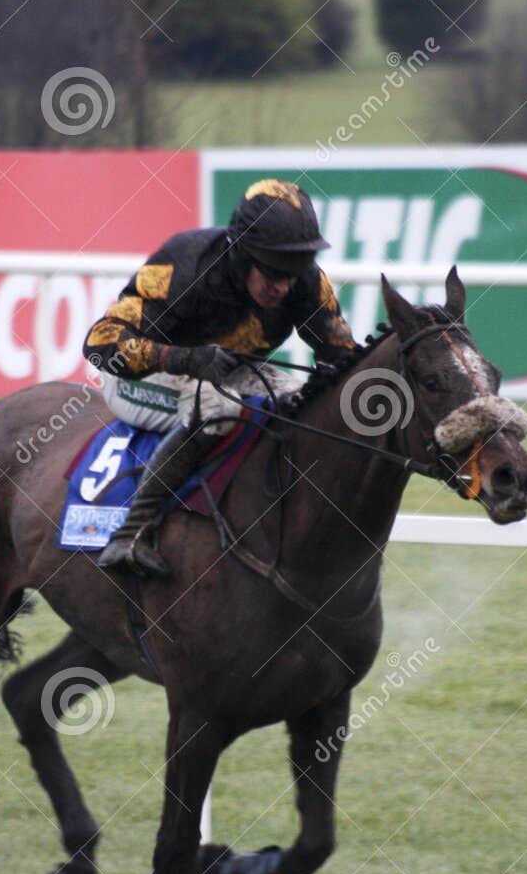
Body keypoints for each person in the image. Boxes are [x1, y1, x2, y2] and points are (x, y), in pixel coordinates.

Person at [83, 179, 357, 578]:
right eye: (273, 272)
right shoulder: (182, 265)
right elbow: (99, 343)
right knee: (217, 407)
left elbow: (343, 358)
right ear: (243, 255)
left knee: (301, 402)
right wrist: (183, 358)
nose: (284, 286)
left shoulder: (306, 283)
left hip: (228, 373)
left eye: (294, 272)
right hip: (139, 378)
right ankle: (132, 532)